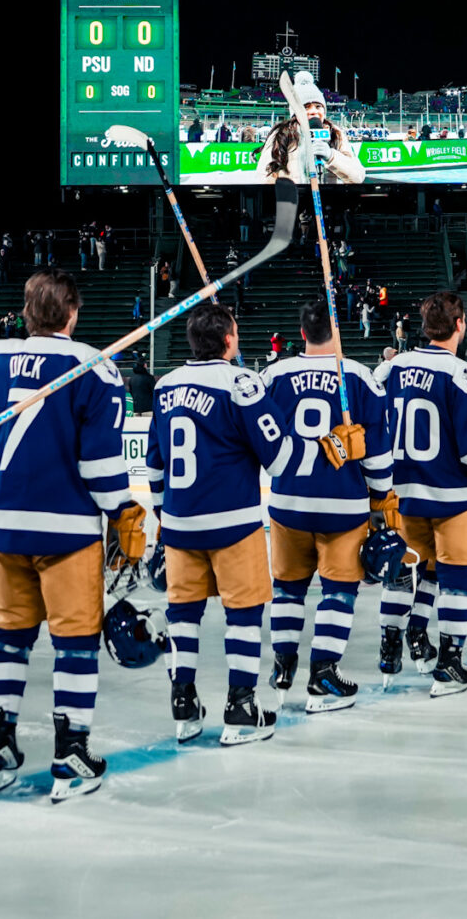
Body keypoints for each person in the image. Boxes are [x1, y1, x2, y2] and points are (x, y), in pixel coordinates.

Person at [0, 269, 138, 802]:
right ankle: (71, 754)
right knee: (74, 644)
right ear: (72, 314)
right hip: (67, 530)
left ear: (26, 313)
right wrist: (121, 511)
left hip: (3, 524)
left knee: (8, 635)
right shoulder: (95, 367)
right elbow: (99, 465)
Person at [141, 303, 292, 744]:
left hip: (180, 524)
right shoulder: (241, 381)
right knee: (243, 615)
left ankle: (183, 706)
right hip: (234, 524)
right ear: (228, 340)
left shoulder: (166, 385)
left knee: (183, 615)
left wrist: (162, 517)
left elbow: (155, 466)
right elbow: (279, 457)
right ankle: (240, 708)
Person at [380, 290, 467, 695]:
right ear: (460, 325)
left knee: (406, 574)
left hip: (403, 494)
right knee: (456, 578)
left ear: (424, 328)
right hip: (451, 496)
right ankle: (449, 663)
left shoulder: (391, 369)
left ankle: (390, 650)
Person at [262, 297, 395, 711]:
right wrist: (381, 498)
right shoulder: (359, 376)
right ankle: (322, 677)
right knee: (339, 592)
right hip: (343, 505)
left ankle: (283, 669)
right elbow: (377, 455)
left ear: (301, 333)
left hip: (287, 503)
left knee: (287, 590)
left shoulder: (272, 375)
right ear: (337, 332)